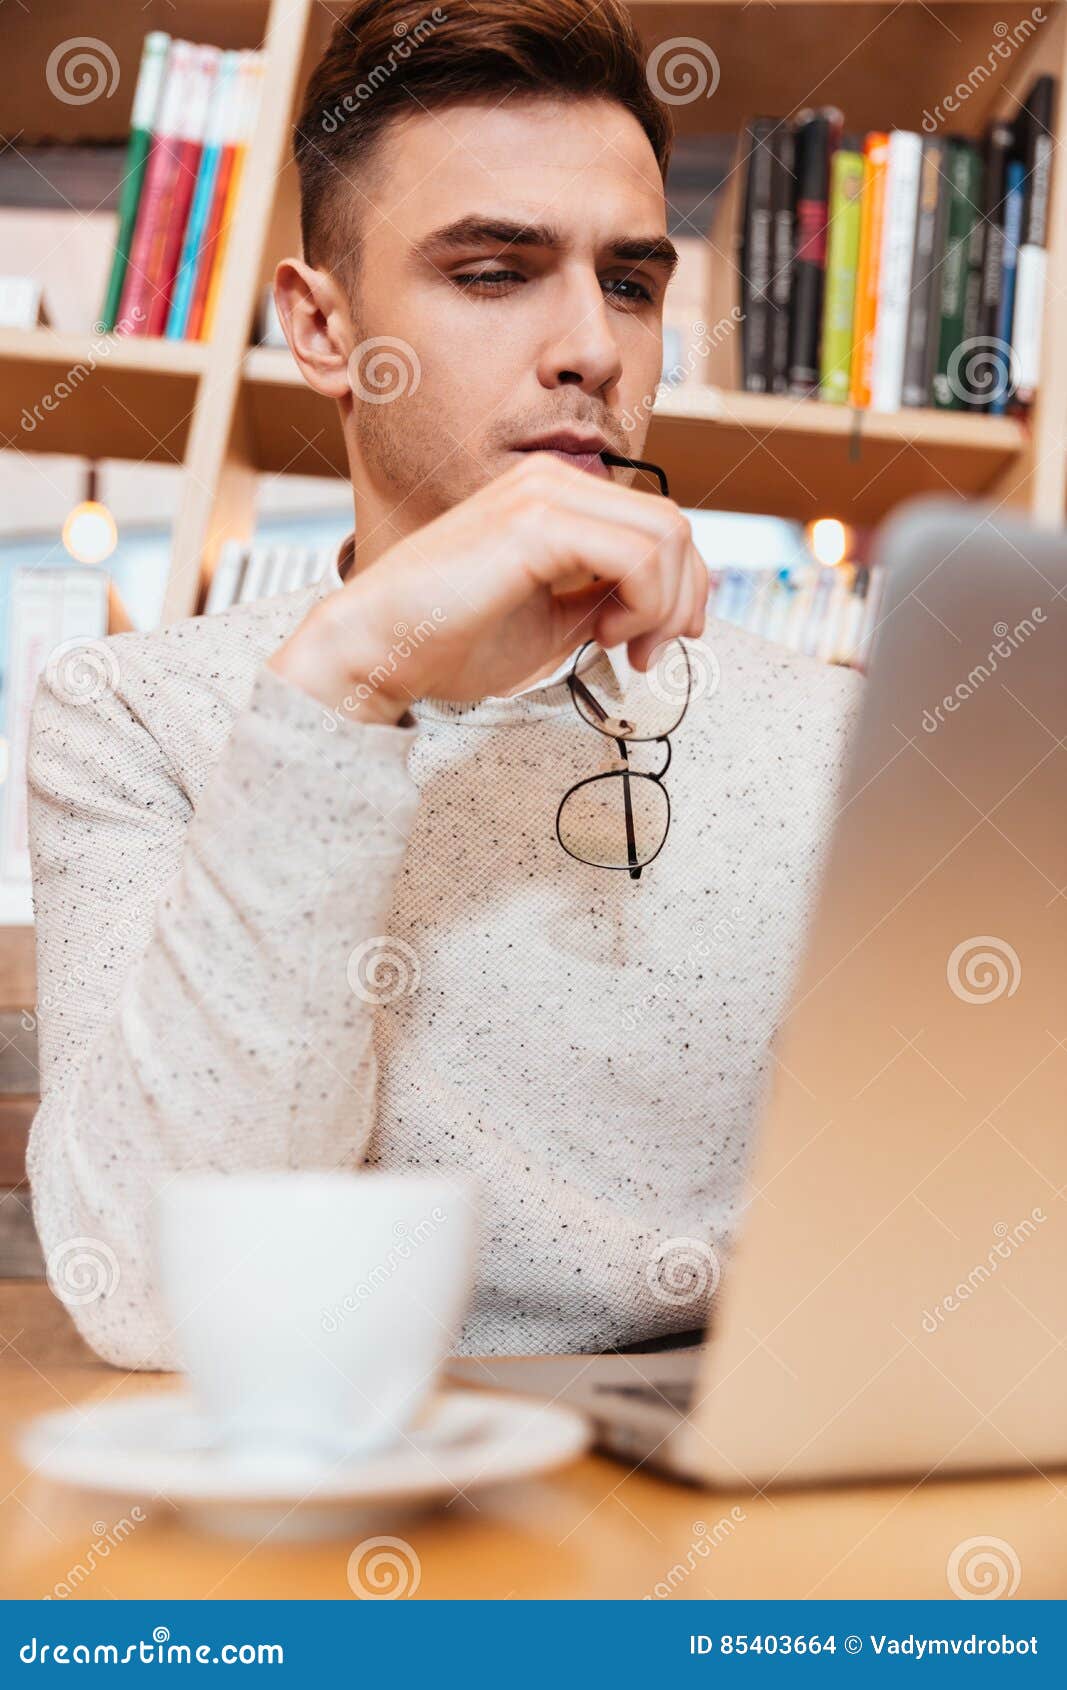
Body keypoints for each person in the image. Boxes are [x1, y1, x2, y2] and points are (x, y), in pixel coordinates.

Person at [26, 0, 860, 1371]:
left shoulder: (837, 740)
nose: (593, 348)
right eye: (492, 273)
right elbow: (152, 1297)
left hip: (732, 1455)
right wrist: (348, 684)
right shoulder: (132, 716)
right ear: (321, 327)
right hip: (325, 1449)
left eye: (632, 283)